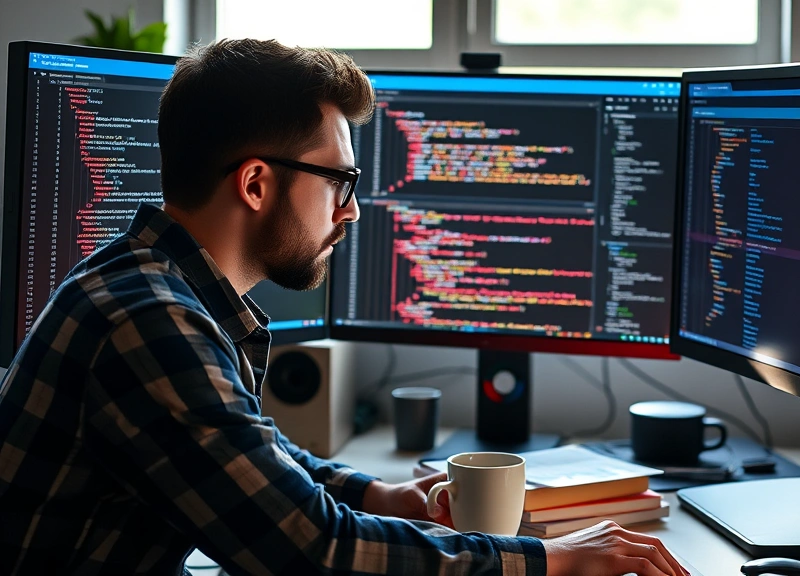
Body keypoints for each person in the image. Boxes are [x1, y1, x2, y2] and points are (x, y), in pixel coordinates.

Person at [0, 38, 686, 576]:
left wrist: (373, 494)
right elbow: (314, 553)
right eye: (339, 181)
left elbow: (246, 452)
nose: (352, 210)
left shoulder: (148, 284)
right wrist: (552, 560)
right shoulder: (147, 323)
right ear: (256, 184)